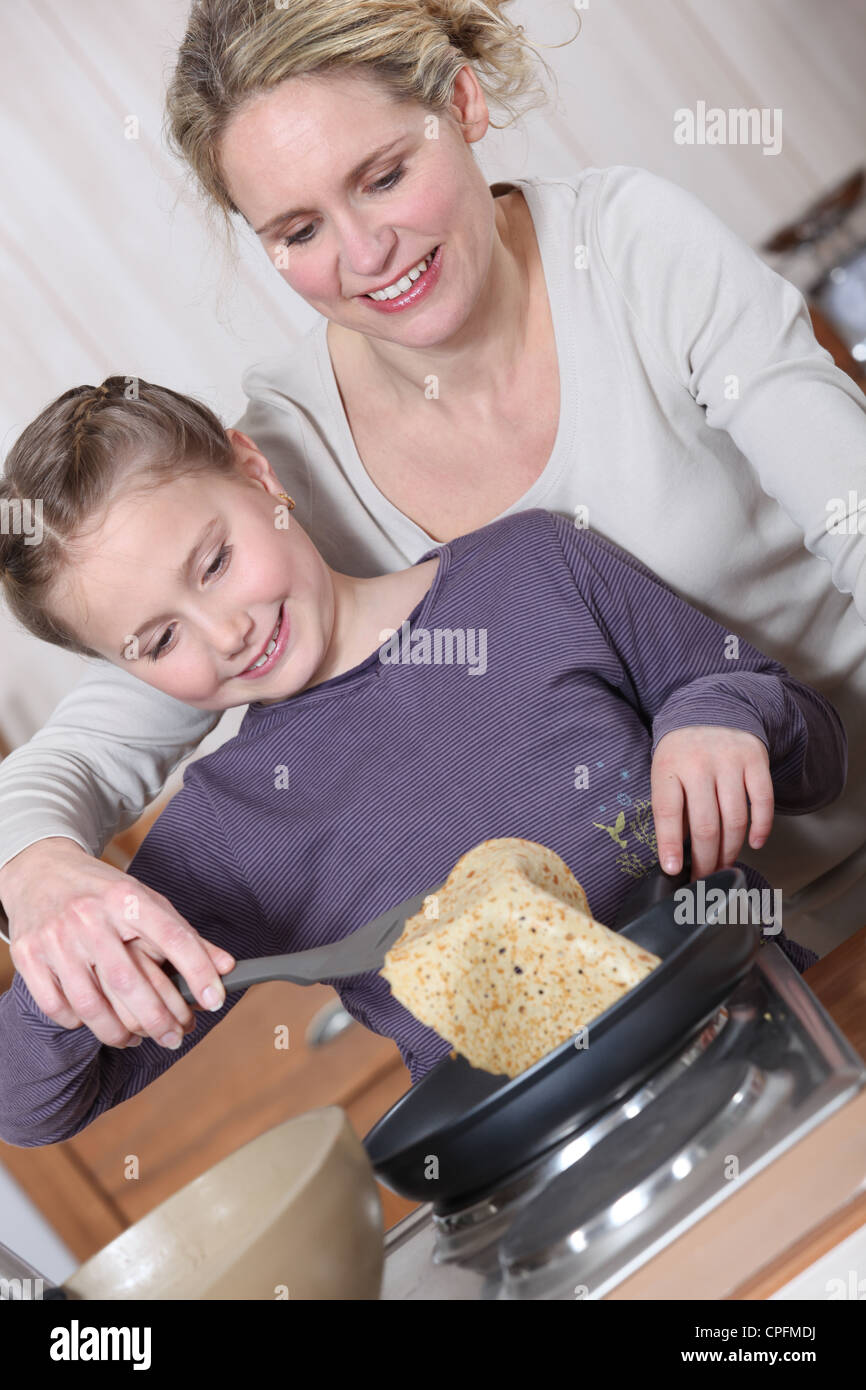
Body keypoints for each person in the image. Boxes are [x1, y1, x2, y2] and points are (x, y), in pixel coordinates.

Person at [1, 0, 865, 1056]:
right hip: (701, 974)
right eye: (299, 230)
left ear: (459, 103)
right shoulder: (282, 460)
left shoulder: (630, 249)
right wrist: (36, 872)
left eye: (382, 177)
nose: (367, 251)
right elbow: (80, 752)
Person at [0, 376, 846, 1146]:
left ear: (256, 474)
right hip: (538, 1167)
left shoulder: (540, 568)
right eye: (159, 640)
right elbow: (29, 1110)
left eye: (215, 563)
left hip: (781, 1055)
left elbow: (815, 762)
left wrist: (718, 712)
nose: (227, 632)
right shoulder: (229, 830)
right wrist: (67, 963)